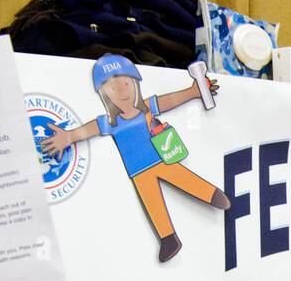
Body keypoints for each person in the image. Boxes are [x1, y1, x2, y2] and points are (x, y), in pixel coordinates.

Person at [40, 54, 229, 262]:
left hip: (160, 157)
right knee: (152, 202)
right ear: (105, 95)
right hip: (138, 170)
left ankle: (213, 195)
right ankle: (169, 239)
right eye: (113, 88)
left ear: (135, 83)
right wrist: (68, 136)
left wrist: (193, 92)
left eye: (126, 83)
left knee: (184, 179)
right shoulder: (110, 122)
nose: (121, 90)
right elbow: (88, 130)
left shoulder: (146, 107)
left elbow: (169, 101)